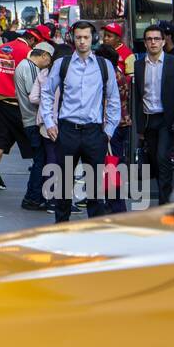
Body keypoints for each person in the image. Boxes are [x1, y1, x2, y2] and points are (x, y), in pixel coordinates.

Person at [39, 20, 121, 223]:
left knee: (95, 191)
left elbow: (113, 100)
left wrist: (108, 130)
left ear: (93, 38)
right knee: (64, 186)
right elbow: (47, 93)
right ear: (73, 39)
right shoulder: (62, 64)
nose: (82, 42)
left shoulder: (104, 66)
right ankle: (61, 229)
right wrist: (50, 123)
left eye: (86, 37)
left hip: (94, 133)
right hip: (67, 131)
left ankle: (94, 233)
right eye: (78, 37)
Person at [132, 25, 174, 206]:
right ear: (145, 43)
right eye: (149, 39)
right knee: (153, 158)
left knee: (162, 157)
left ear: (163, 41)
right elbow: (137, 96)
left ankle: (165, 202)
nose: (153, 42)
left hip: (166, 120)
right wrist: (139, 127)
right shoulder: (138, 65)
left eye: (156, 39)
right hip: (147, 119)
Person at [0, 28, 35, 191]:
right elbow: (30, 78)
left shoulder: (1, 49)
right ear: (32, 39)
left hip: (0, 100)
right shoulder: (28, 52)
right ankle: (38, 170)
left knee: (1, 136)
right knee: (32, 138)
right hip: (18, 102)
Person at [16, 42, 55, 210]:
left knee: (40, 160)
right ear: (44, 56)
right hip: (33, 120)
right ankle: (32, 197)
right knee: (40, 161)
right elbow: (35, 96)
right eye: (50, 60)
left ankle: (34, 196)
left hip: (29, 119)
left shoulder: (24, 65)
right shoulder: (31, 68)